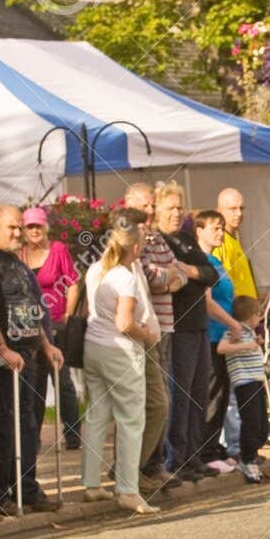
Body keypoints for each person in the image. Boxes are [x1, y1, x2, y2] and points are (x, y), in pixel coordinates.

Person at [0, 205, 64, 512]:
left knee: (28, 425)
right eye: (11, 227)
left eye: (19, 227)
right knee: (3, 427)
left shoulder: (19, 262)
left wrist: (45, 345)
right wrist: (1, 349)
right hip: (4, 361)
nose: (17, 233)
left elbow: (32, 309)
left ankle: (27, 488)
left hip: (29, 356)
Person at [80, 223, 159, 515]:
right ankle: (127, 489)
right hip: (120, 353)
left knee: (97, 414)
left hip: (93, 347)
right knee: (131, 419)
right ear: (135, 248)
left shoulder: (95, 269)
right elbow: (124, 323)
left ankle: (91, 484)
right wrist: (147, 334)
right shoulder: (125, 277)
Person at [120, 183, 184, 479]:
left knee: (162, 398)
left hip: (164, 326)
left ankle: (154, 462)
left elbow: (178, 273)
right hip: (142, 331)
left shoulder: (156, 236)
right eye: (144, 206)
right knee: (149, 401)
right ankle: (137, 468)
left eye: (150, 206)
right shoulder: (129, 241)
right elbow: (152, 276)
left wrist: (170, 276)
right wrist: (168, 276)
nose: (149, 211)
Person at [157, 183, 219, 482]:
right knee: (179, 394)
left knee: (198, 394)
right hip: (177, 326)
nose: (176, 213)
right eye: (170, 207)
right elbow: (170, 280)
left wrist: (188, 271)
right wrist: (188, 274)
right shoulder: (157, 241)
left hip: (198, 325)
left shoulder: (185, 239)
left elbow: (211, 274)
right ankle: (176, 459)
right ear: (157, 210)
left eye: (179, 208)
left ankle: (194, 456)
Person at [20, 205, 83, 449]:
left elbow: (72, 282)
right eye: (30, 226)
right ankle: (33, 436)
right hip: (31, 326)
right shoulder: (21, 254)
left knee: (63, 380)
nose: (34, 230)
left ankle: (73, 433)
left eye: (38, 225)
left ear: (45, 227)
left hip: (56, 323)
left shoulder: (57, 250)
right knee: (36, 381)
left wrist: (68, 314)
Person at [195, 207, 243, 471]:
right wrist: (232, 323)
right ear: (199, 231)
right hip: (212, 335)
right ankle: (206, 451)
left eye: (222, 227)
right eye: (214, 227)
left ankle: (214, 446)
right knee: (212, 394)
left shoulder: (217, 261)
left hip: (222, 336)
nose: (220, 232)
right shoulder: (203, 261)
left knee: (223, 393)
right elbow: (207, 302)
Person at [215, 295, 270, 482]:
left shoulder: (251, 332)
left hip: (255, 380)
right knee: (251, 421)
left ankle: (253, 453)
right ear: (252, 316)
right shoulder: (237, 332)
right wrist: (249, 345)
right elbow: (222, 348)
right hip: (243, 382)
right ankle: (247, 459)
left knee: (262, 423)